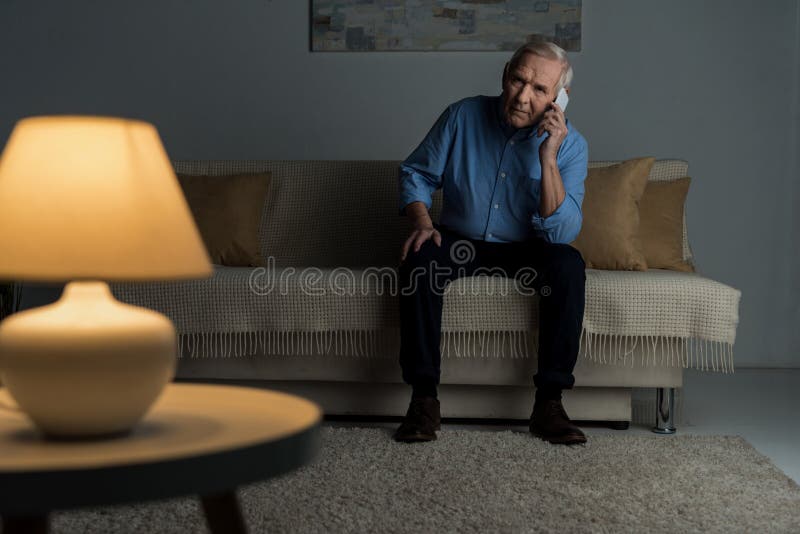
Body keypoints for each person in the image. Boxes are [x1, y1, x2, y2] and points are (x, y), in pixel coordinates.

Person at [395, 41, 589, 445]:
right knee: (419, 260)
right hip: (460, 242)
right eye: (519, 80)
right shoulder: (462, 116)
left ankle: (549, 404)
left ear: (559, 98)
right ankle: (423, 400)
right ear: (505, 73)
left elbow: (560, 233)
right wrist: (422, 221)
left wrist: (547, 156)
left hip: (527, 249)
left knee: (568, 263)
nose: (523, 96)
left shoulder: (571, 146)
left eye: (540, 90)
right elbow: (416, 172)